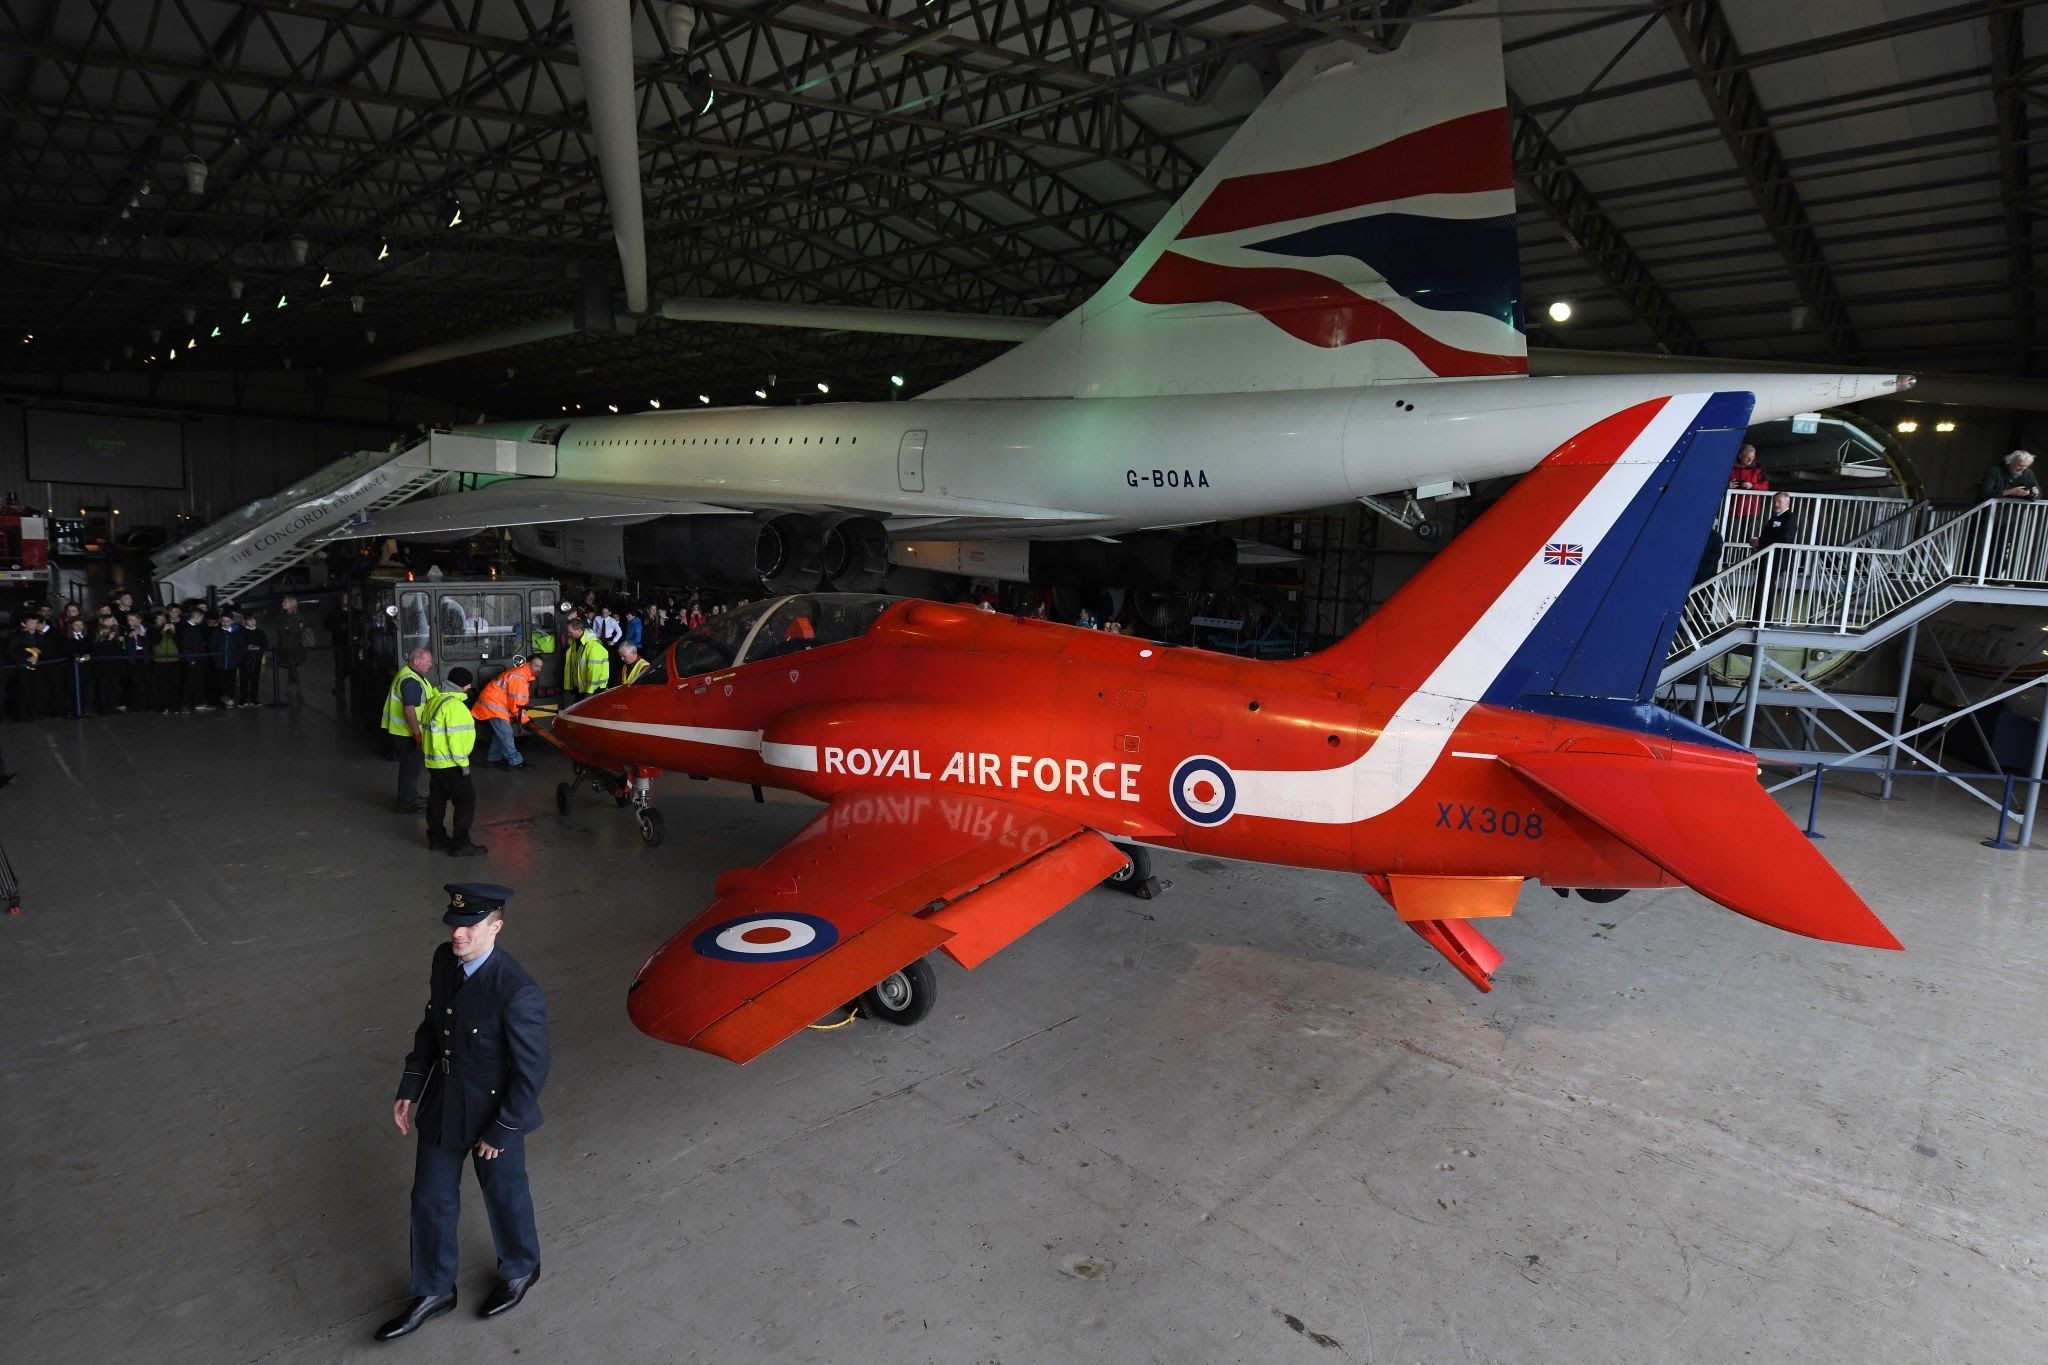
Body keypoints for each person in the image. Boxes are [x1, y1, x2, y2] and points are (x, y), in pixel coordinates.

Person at [377, 884, 549, 1341]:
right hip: (445, 1101)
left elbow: (531, 1072)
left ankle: (521, 1267)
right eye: (454, 924)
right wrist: (412, 1085)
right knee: (429, 1198)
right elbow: (434, 1024)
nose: (458, 934)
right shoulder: (444, 959)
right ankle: (434, 1289)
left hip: (495, 1111)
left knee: (504, 1192)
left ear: (496, 927)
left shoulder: (516, 991)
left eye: (470, 926)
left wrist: (502, 1128)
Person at [420, 668, 486, 857]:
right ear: (465, 685)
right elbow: (456, 740)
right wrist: (463, 763)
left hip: (434, 762)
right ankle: (461, 844)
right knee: (466, 800)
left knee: (437, 799)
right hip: (451, 763)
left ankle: (436, 839)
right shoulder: (455, 706)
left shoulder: (435, 700)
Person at [384, 647, 438, 814]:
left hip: (404, 732)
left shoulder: (411, 675)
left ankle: (410, 796)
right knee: (410, 769)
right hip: (407, 733)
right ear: (416, 661)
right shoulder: (411, 681)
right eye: (428, 661)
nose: (431, 664)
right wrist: (417, 734)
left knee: (411, 768)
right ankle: (406, 802)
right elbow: (409, 710)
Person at [472, 656, 541, 770]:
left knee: (501, 733)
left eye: (540, 667)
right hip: (493, 705)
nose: (539, 669)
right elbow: (517, 705)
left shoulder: (522, 675)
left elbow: (516, 702)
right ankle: (515, 761)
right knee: (506, 733)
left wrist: (524, 719)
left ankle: (493, 759)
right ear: (528, 664)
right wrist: (526, 721)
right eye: (536, 665)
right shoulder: (519, 677)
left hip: (496, 704)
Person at [561, 618, 608, 700]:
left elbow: (594, 672)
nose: (569, 634)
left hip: (593, 691)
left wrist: (588, 693)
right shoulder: (575, 643)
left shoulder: (593, 647)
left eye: (570, 632)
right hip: (581, 689)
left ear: (579, 630)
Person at [179, 605, 215, 711]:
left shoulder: (194, 627)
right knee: (189, 683)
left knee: (199, 682)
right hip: (192, 661)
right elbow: (184, 647)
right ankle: (185, 704)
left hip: (199, 659)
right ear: (197, 616)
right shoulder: (186, 628)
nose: (202, 619)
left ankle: (198, 703)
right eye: (201, 617)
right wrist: (191, 660)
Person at [274, 596, 308, 696]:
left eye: (285, 602)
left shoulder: (298, 616)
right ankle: (296, 686)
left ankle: (294, 686)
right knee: (291, 665)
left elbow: (300, 629)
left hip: (295, 645)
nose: (283, 604)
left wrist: (289, 629)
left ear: (292, 604)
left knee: (292, 665)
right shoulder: (281, 616)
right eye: (283, 602)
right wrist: (288, 629)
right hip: (285, 645)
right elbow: (281, 630)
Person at [235, 609, 268, 706]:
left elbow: (265, 644)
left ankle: (254, 698)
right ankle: (243, 699)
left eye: (254, 619)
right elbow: (237, 644)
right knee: (244, 680)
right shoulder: (240, 631)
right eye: (250, 620)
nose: (252, 622)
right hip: (244, 660)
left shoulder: (260, 632)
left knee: (255, 680)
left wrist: (259, 647)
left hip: (256, 659)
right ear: (245, 621)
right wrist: (246, 647)